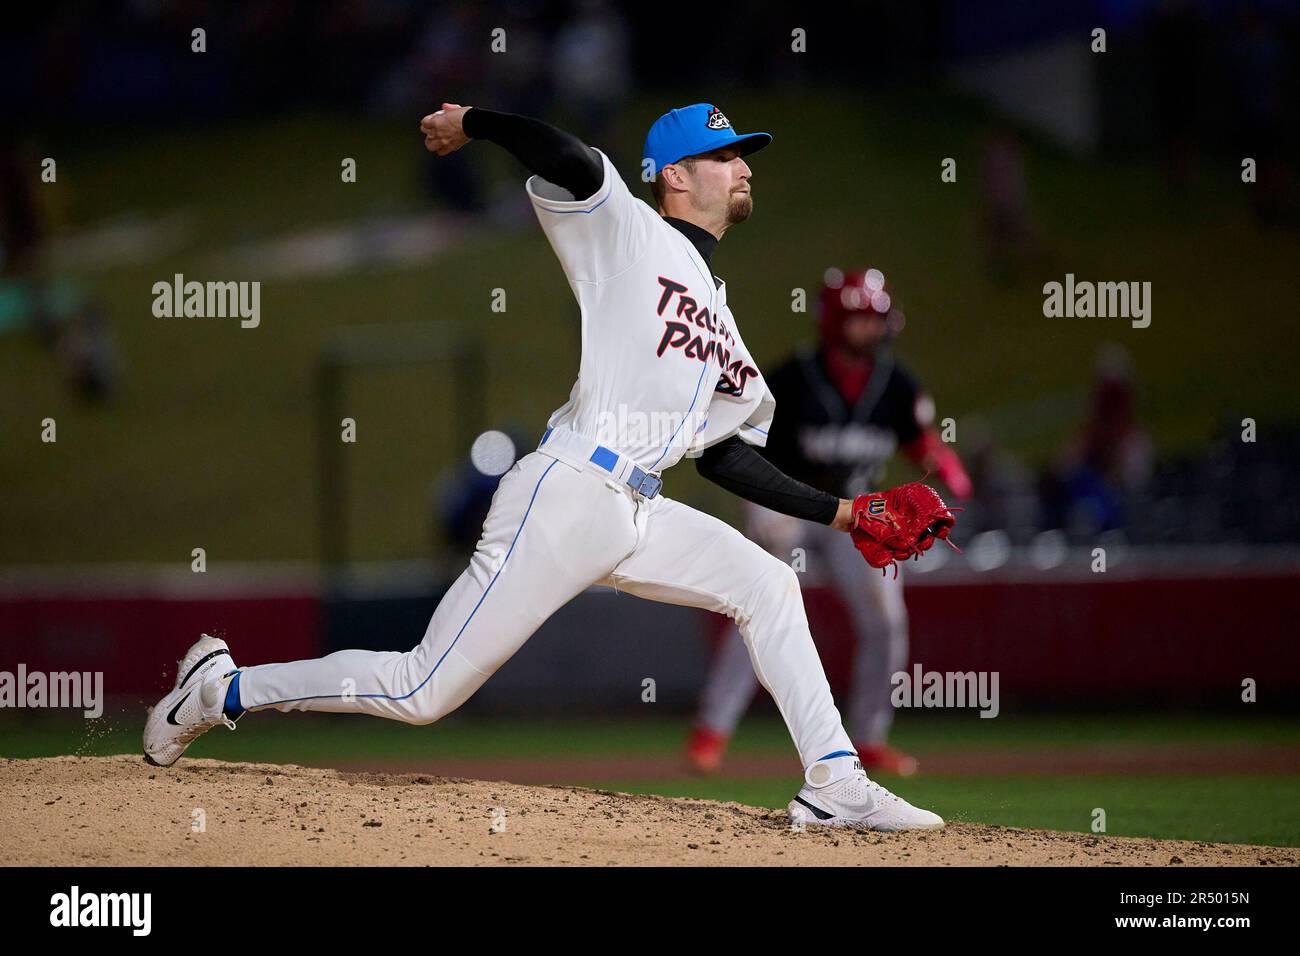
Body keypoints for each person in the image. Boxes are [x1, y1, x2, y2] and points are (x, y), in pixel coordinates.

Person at [144, 102, 953, 831]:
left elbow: (725, 457)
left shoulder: (720, 317)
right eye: (725, 155)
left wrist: (847, 515)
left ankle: (835, 779)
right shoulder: (629, 234)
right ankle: (222, 689)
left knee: (768, 584)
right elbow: (568, 155)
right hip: (568, 492)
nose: (744, 166)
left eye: (744, 154)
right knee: (423, 690)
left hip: (639, 509)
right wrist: (478, 122)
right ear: (675, 174)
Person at [687, 268, 972, 776]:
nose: (871, 329)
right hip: (790, 505)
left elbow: (918, 439)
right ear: (836, 322)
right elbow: (746, 447)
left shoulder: (895, 382)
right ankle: (711, 731)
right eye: (861, 318)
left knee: (886, 619)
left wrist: (943, 462)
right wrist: (759, 506)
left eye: (875, 319)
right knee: (759, 604)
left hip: (859, 512)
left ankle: (868, 737)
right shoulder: (793, 378)